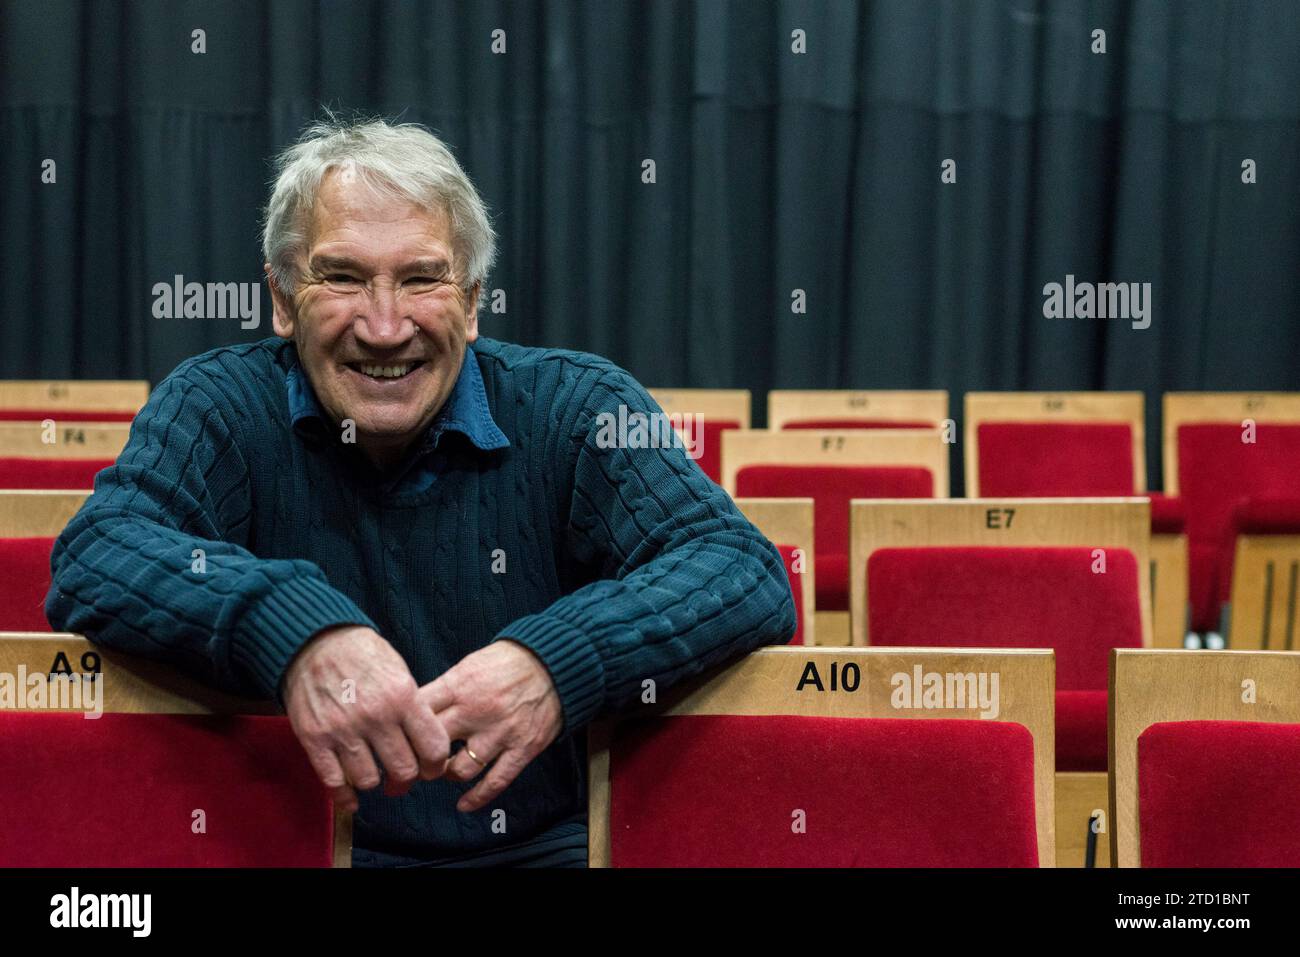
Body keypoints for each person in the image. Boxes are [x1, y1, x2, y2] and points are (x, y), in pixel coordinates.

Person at [46, 116, 796, 867]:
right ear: (280, 298)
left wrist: (557, 661)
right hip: (300, 849)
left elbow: (739, 565)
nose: (383, 325)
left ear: (471, 302)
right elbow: (98, 548)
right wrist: (295, 630)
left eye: (421, 278)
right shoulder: (218, 405)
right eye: (341, 277)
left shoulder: (581, 407)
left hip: (547, 851)